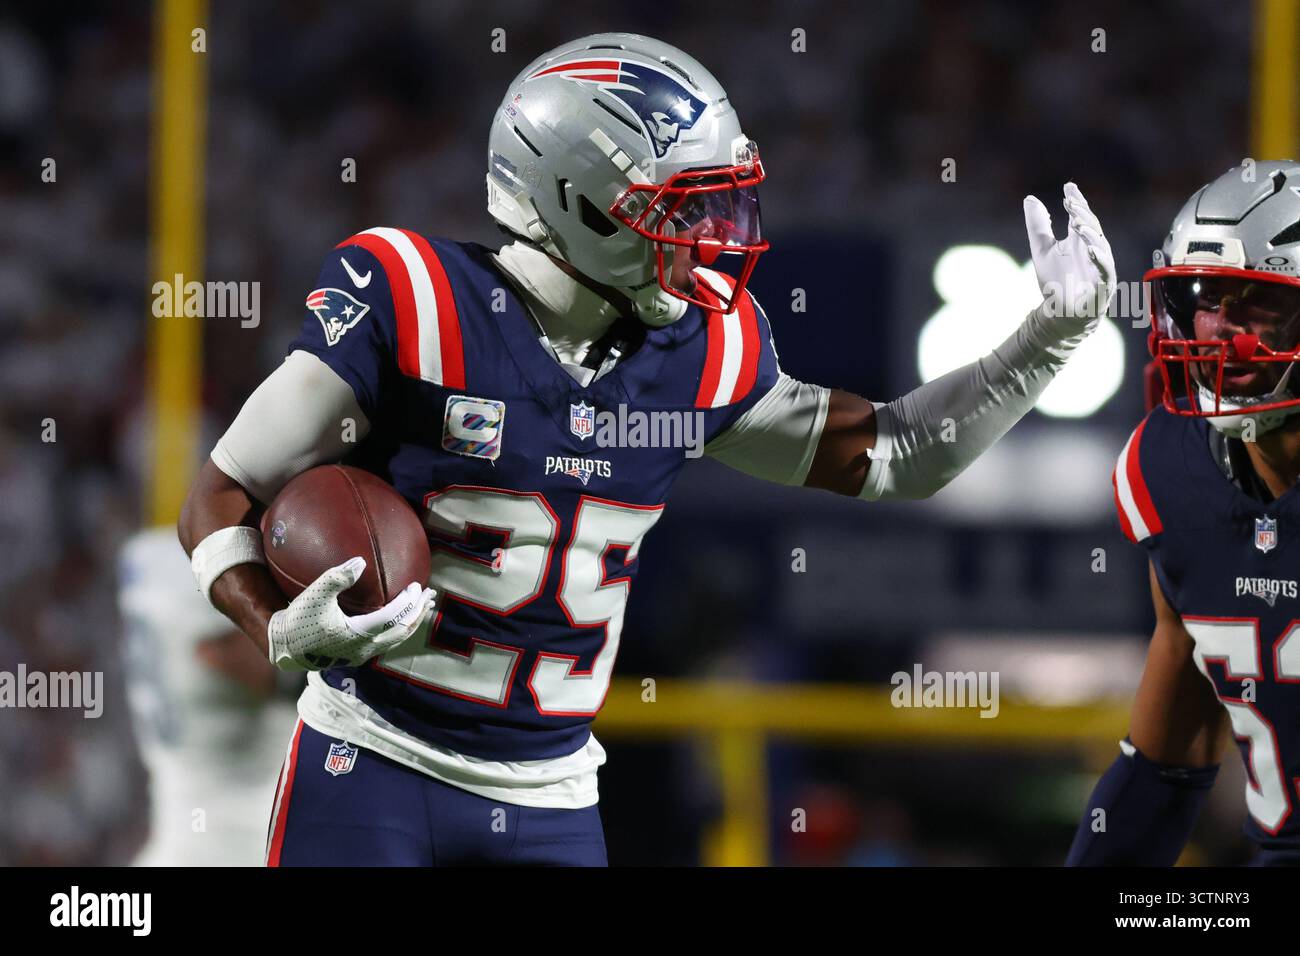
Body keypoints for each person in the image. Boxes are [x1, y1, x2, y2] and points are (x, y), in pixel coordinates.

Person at [178, 32, 1115, 865]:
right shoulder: (416, 301)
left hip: (552, 794)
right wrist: (276, 626)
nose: (710, 238)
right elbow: (221, 494)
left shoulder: (701, 350)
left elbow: (898, 454)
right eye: (679, 209)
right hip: (370, 760)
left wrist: (1046, 340)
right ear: (579, 204)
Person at [1069, 160, 1300, 866]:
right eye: (1205, 298)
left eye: (1256, 302)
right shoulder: (1169, 472)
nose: (1220, 332)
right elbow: (1163, 771)